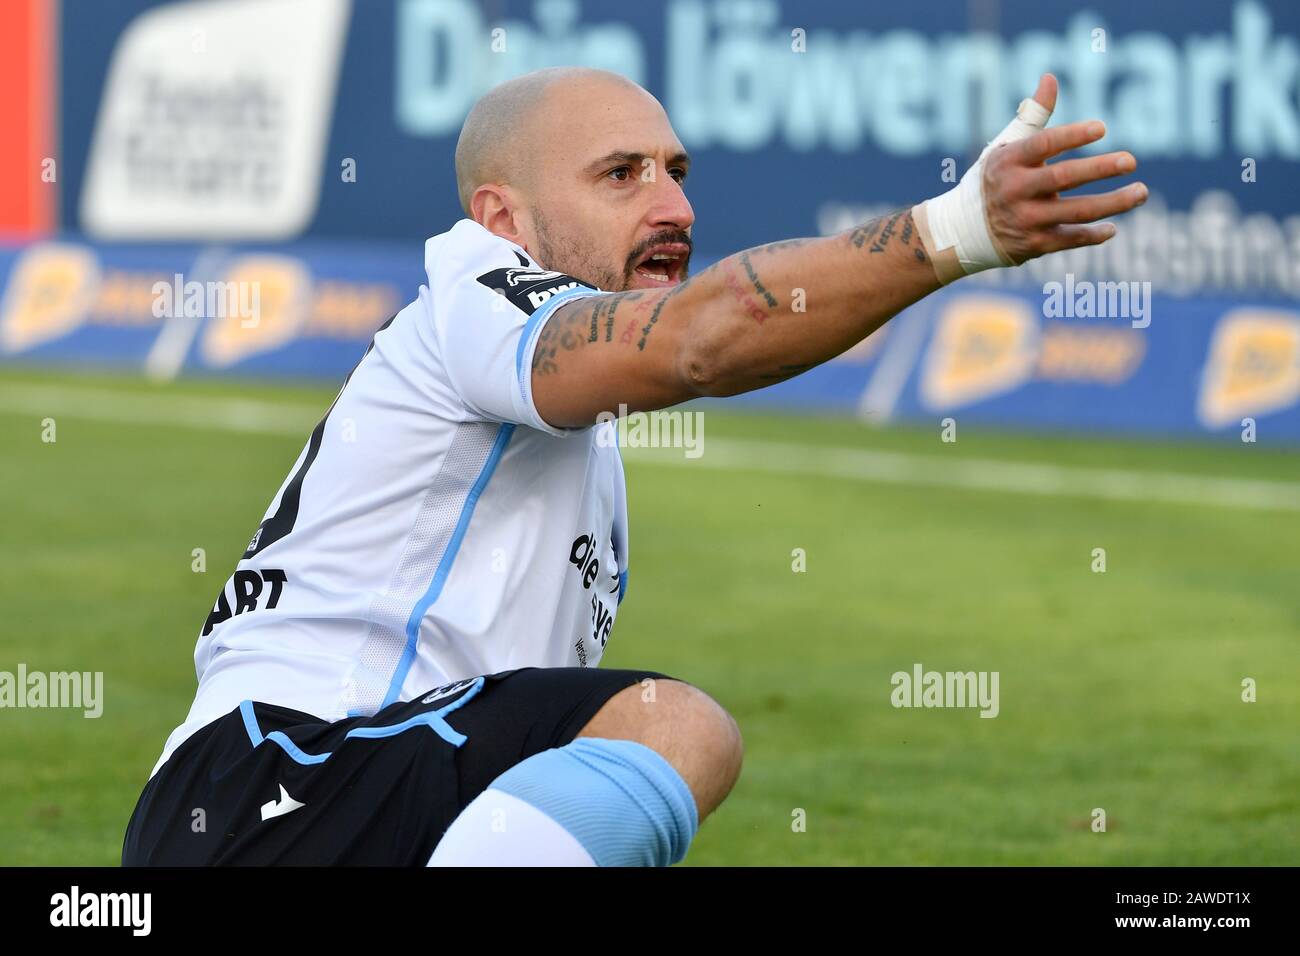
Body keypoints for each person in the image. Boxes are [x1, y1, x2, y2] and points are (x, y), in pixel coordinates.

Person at [122, 66, 1145, 867]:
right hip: (288, 771)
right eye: (622, 175)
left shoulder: (574, 443)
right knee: (677, 727)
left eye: (676, 172)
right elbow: (697, 340)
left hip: (306, 802)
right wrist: (955, 231)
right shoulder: (475, 291)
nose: (674, 207)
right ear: (503, 220)